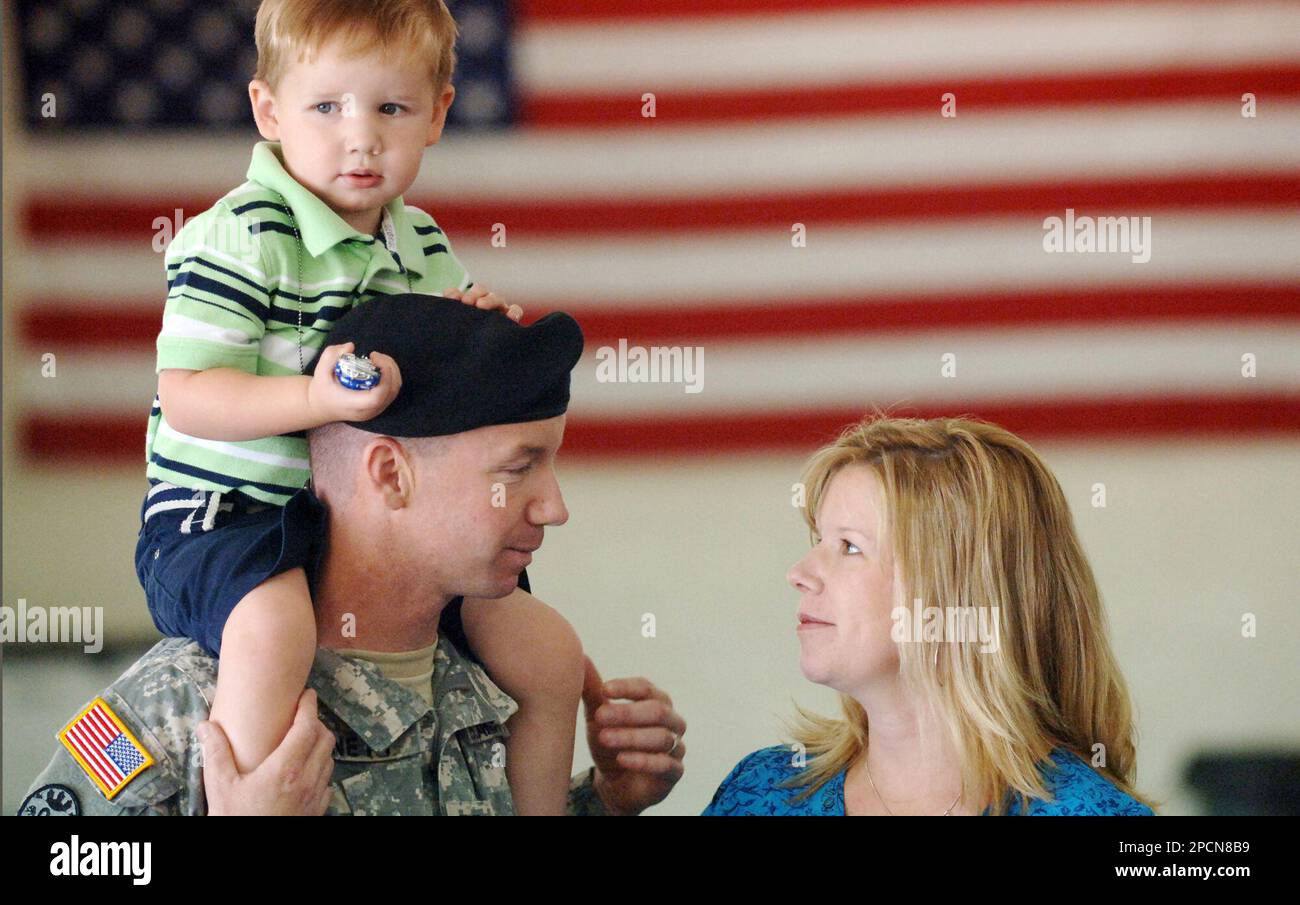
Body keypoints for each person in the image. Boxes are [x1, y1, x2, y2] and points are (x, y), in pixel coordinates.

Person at [140, 0, 583, 814]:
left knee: (547, 650)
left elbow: (442, 386)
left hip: (348, 533)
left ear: (439, 113)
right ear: (267, 111)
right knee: (271, 630)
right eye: (328, 107)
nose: (361, 139)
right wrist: (311, 397)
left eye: (390, 108)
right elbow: (190, 394)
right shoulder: (239, 236)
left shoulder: (418, 241)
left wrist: (475, 325)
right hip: (225, 514)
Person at [19, 294, 686, 816]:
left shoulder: (499, 692)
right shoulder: (189, 703)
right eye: (520, 468)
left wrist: (605, 798)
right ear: (391, 475)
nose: (553, 506)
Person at [703, 414, 1157, 815]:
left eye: (850, 546)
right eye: (817, 542)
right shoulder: (763, 790)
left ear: (961, 590)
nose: (800, 574)